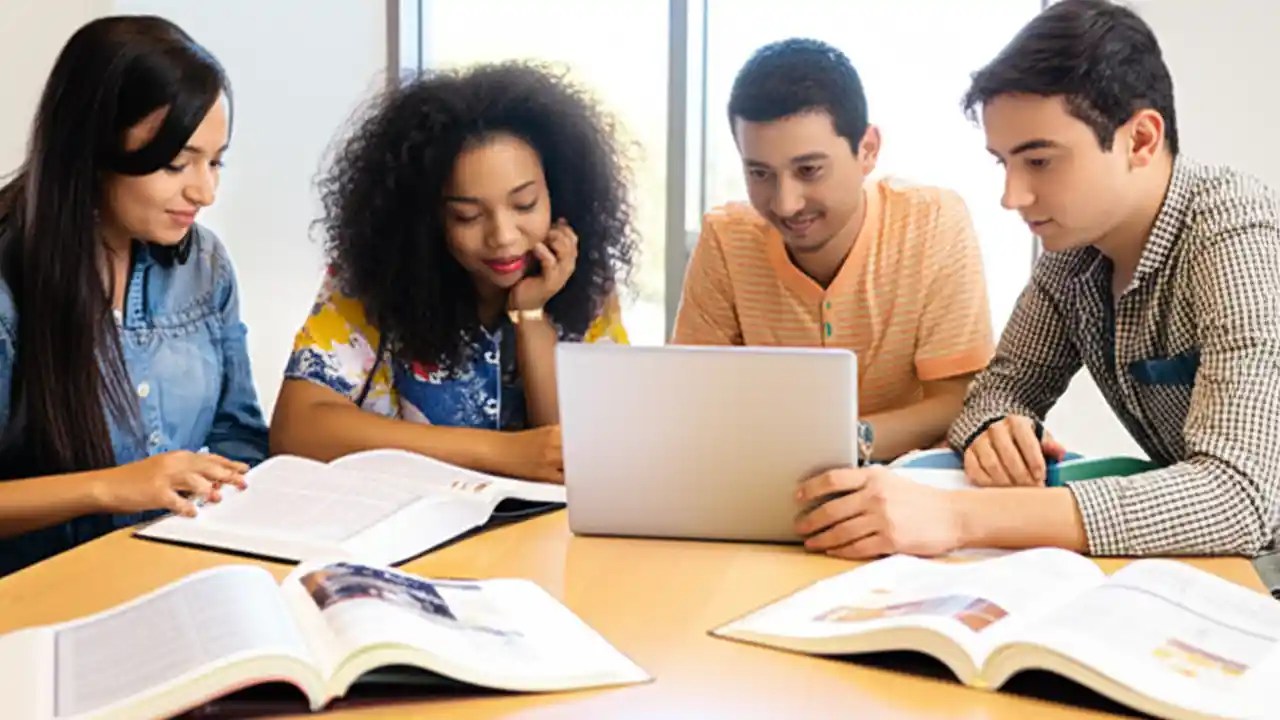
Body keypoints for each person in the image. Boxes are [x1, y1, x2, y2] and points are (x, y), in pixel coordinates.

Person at [793, 0, 1280, 559]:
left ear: (1140, 140)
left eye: (1041, 162)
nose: (1012, 196)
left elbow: (1240, 499)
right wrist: (997, 429)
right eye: (1004, 163)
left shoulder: (1238, 236)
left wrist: (957, 517)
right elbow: (994, 394)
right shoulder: (1073, 253)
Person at [270, 62, 637, 484]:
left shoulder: (584, 279)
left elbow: (580, 463)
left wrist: (531, 318)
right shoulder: (373, 278)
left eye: (524, 205)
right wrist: (501, 452)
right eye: (467, 216)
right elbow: (296, 429)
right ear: (429, 218)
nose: (502, 236)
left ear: (557, 192)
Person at [0, 16, 268, 574]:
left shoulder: (206, 263)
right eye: (177, 164)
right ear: (94, 148)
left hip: (182, 577)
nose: (205, 191)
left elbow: (236, 439)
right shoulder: (11, 280)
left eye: (215, 161)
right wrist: (110, 488)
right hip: (42, 601)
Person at [671, 38, 994, 462]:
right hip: (761, 481)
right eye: (760, 173)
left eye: (809, 170)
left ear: (867, 150)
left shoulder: (933, 222)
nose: (785, 203)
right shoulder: (726, 239)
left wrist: (843, 442)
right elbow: (693, 399)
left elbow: (955, 403)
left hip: (905, 487)